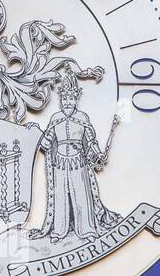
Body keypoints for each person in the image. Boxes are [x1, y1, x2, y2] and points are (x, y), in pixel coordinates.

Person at [33, 75, 119, 242]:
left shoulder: (83, 118)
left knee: (81, 195)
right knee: (60, 197)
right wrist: (38, 135)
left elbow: (91, 141)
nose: (67, 102)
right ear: (61, 99)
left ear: (76, 99)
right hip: (59, 163)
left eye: (71, 98)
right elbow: (46, 143)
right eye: (65, 98)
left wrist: (98, 154)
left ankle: (87, 230)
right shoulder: (55, 118)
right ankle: (58, 232)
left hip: (78, 161)